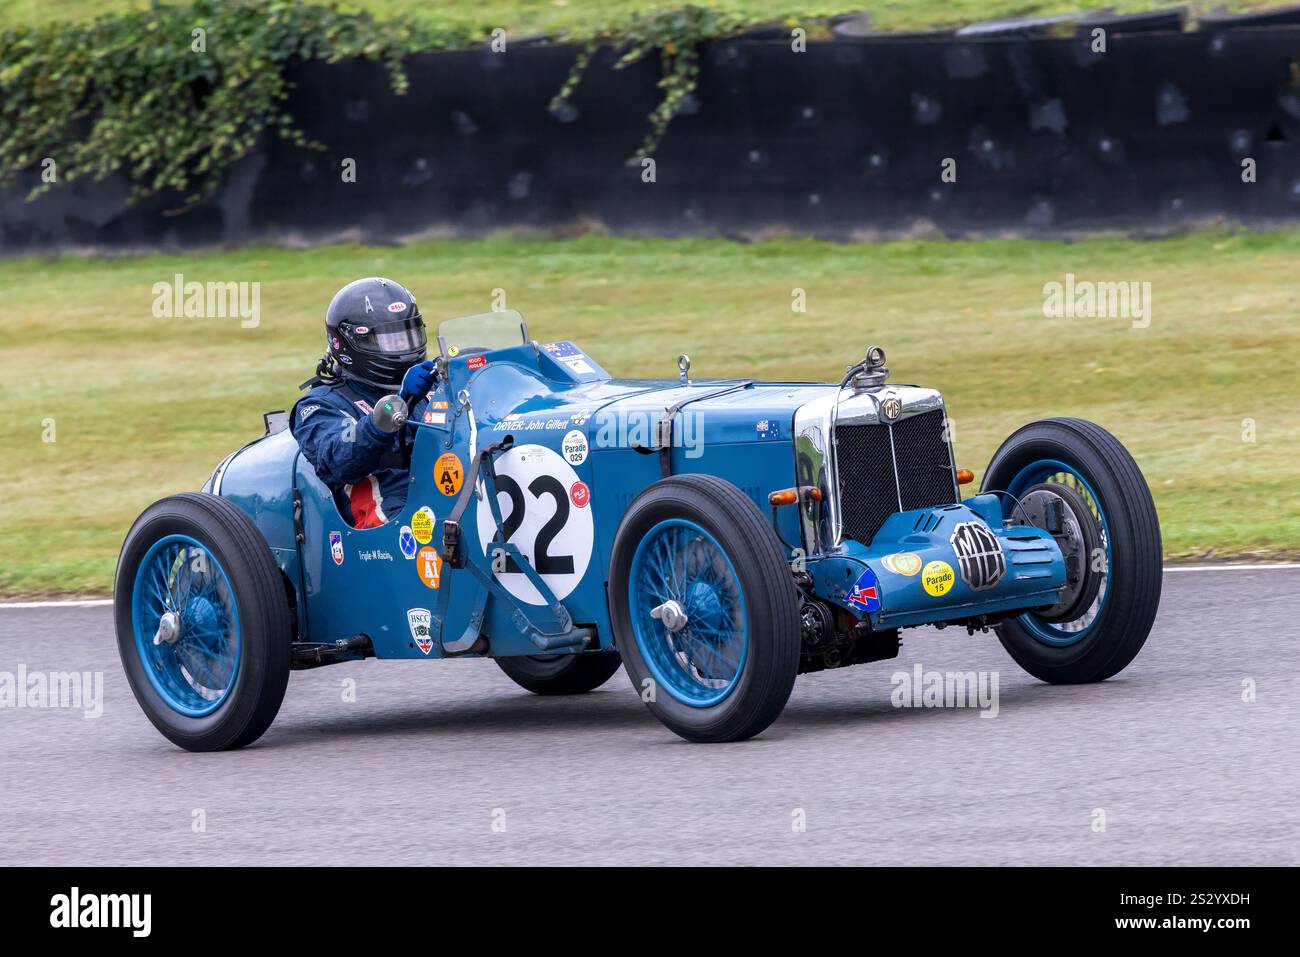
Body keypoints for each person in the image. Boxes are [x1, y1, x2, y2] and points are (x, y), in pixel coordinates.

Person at [291, 277, 435, 528]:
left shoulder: (432, 381)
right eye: (392, 340)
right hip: (389, 514)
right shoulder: (320, 405)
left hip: (446, 487)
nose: (405, 347)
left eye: (409, 335)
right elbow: (338, 459)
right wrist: (394, 407)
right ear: (347, 343)